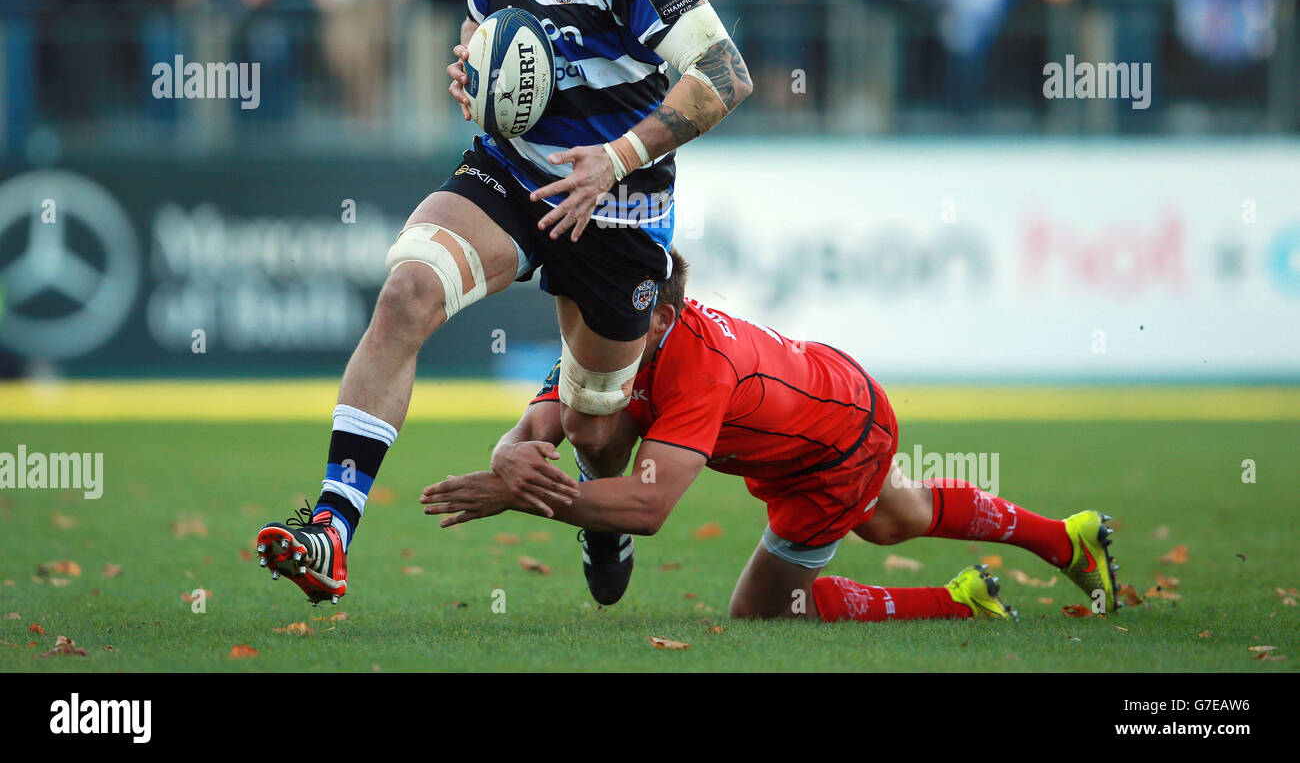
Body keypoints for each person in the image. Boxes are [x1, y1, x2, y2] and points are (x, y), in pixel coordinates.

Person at [255, 0, 753, 605]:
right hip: (514, 172)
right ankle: (332, 530)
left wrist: (615, 159)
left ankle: (602, 521)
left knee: (595, 424)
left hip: (617, 203)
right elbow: (494, 44)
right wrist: (472, 74)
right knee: (406, 290)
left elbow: (726, 74)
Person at [418, 251, 1121, 622]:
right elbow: (533, 430)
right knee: (897, 518)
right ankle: (1065, 538)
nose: (597, 323)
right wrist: (510, 462)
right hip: (826, 392)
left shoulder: (699, 368)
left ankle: (959, 600)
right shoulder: (612, 340)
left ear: (661, 319)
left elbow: (651, 506)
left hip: (835, 444)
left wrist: (524, 495)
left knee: (763, 609)